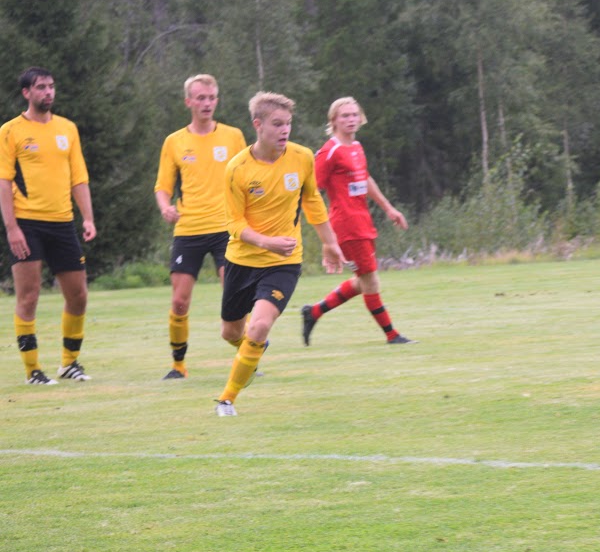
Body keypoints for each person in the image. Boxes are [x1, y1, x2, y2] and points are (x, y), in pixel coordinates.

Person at [214, 92, 344, 416]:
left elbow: (312, 200)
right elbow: (233, 222)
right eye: (277, 124)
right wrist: (264, 241)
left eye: (288, 124)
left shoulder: (301, 157)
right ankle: (254, 351)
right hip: (241, 260)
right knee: (232, 332)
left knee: (258, 326)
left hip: (284, 263)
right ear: (258, 125)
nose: (285, 130)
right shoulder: (237, 168)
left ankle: (227, 399)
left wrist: (329, 242)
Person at [0, 67, 96, 385]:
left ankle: (70, 363)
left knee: (78, 295)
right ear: (27, 92)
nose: (48, 93)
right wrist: (12, 228)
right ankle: (32, 370)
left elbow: (78, 177)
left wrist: (88, 217)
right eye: (41, 87)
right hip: (27, 223)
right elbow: (4, 182)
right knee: (29, 296)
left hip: (62, 223)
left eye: (52, 87)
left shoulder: (67, 129)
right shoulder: (11, 131)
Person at [153, 74, 248, 379]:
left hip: (226, 229)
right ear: (189, 102)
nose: (207, 103)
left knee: (233, 294)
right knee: (179, 301)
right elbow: (162, 186)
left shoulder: (233, 136)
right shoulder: (174, 141)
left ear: (217, 100)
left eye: (211, 98)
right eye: (201, 98)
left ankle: (248, 354)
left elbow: (248, 177)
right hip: (188, 229)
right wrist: (165, 206)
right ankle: (178, 365)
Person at [300, 97, 414, 346]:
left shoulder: (357, 147)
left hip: (363, 222)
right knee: (371, 280)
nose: (351, 119)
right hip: (346, 225)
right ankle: (392, 335)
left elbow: (366, 179)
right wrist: (325, 238)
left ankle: (314, 312)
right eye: (345, 116)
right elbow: (311, 191)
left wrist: (388, 208)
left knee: (363, 280)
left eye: (354, 115)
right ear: (334, 120)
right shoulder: (329, 151)